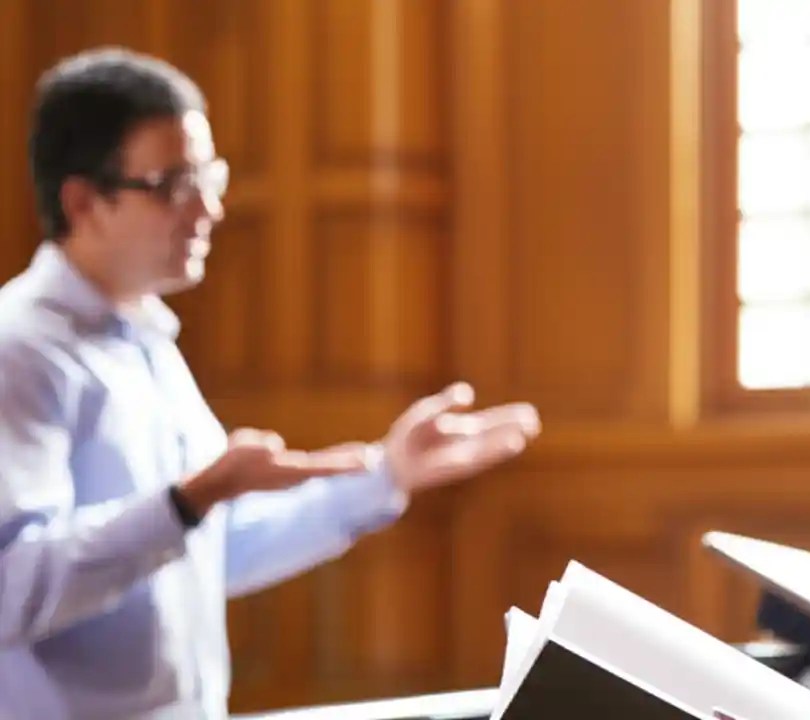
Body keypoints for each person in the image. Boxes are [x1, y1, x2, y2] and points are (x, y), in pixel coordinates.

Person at [0, 47, 541, 719]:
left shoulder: (145, 339)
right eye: (173, 184)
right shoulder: (20, 351)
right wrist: (193, 498)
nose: (210, 208)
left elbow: (205, 554)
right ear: (83, 200)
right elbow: (11, 590)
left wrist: (386, 474)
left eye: (210, 176)